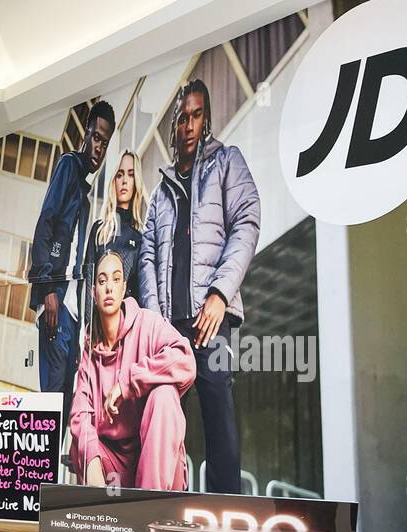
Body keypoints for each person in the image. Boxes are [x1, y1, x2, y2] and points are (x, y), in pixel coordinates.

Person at [139, 78, 261, 494]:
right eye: (182, 117)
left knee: (219, 414)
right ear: (174, 126)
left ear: (205, 118)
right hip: (169, 325)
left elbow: (246, 223)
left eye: (196, 115)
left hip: (211, 317)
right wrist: (155, 320)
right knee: (163, 416)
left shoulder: (227, 162)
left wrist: (219, 294)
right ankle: (159, 503)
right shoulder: (159, 193)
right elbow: (148, 257)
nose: (188, 124)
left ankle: (227, 512)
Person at [70, 252, 195, 491]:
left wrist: (128, 382)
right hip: (113, 470)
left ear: (125, 287)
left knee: (165, 395)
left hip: (154, 466)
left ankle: (147, 504)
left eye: (116, 279)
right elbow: (80, 412)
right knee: (81, 441)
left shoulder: (148, 324)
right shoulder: (89, 348)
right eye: (102, 280)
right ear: (93, 292)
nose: (109, 288)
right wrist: (92, 462)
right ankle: (97, 506)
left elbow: (185, 359)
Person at [28, 99, 114, 429]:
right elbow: (46, 223)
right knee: (51, 401)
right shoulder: (68, 166)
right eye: (95, 137)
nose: (98, 147)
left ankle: (50, 480)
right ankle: (42, 479)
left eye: (104, 142)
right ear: (86, 134)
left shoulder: (87, 189)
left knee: (64, 402)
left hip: (74, 309)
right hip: (57, 300)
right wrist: (47, 288)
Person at [84, 150, 148, 319]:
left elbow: (138, 295)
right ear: (113, 180)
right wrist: (89, 331)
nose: (125, 181)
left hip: (125, 328)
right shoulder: (99, 230)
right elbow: (88, 282)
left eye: (131, 174)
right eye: (119, 175)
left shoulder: (139, 238)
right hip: (97, 328)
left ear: (137, 181)